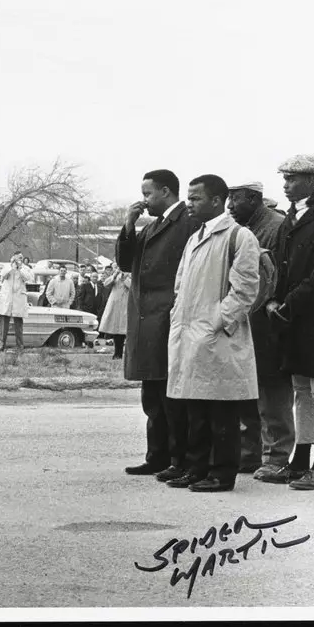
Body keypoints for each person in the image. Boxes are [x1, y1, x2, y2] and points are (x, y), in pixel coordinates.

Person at [165, 175, 259, 492]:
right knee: (197, 409)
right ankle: (197, 468)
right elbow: (181, 285)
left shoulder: (239, 236)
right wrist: (180, 314)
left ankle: (222, 473)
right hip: (191, 335)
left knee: (222, 411)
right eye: (189, 198)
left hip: (217, 337)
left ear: (217, 201)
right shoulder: (195, 237)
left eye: (195, 198)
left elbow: (245, 290)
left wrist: (215, 321)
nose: (189, 203)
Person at [264, 155, 314, 490]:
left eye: (293, 178)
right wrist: (273, 298)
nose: (286, 184)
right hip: (292, 315)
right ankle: (300, 460)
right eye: (285, 178)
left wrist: (289, 302)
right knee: (301, 390)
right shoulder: (292, 216)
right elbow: (281, 265)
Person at [116, 169, 200, 479]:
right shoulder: (153, 226)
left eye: (148, 193)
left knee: (172, 396)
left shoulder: (188, 223)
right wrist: (128, 226)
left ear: (165, 192)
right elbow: (126, 263)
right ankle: (157, 456)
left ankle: (179, 459)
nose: (144, 200)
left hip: (168, 317)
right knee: (153, 395)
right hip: (146, 318)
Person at [226, 180, 293, 479]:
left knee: (272, 389)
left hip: (269, 323)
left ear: (253, 199)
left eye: (235, 200)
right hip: (246, 321)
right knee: (246, 388)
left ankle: (277, 455)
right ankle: (249, 453)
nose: (229, 207)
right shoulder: (240, 230)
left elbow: (284, 275)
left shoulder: (278, 227)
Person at [0, 252, 34, 351]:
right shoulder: (7, 266)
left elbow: (27, 278)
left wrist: (20, 268)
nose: (19, 259)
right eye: (18, 258)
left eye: (21, 258)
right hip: (7, 298)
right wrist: (12, 266)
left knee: (18, 324)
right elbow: (3, 274)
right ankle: (2, 345)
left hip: (18, 299)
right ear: (13, 257)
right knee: (4, 323)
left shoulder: (25, 268)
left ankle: (20, 346)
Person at [98, 269, 132, 359]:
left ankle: (127, 354)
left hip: (126, 306)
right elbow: (106, 284)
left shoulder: (130, 275)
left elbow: (133, 287)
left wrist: (125, 279)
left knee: (125, 331)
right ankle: (117, 353)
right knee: (116, 331)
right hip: (115, 306)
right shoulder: (116, 274)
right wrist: (114, 276)